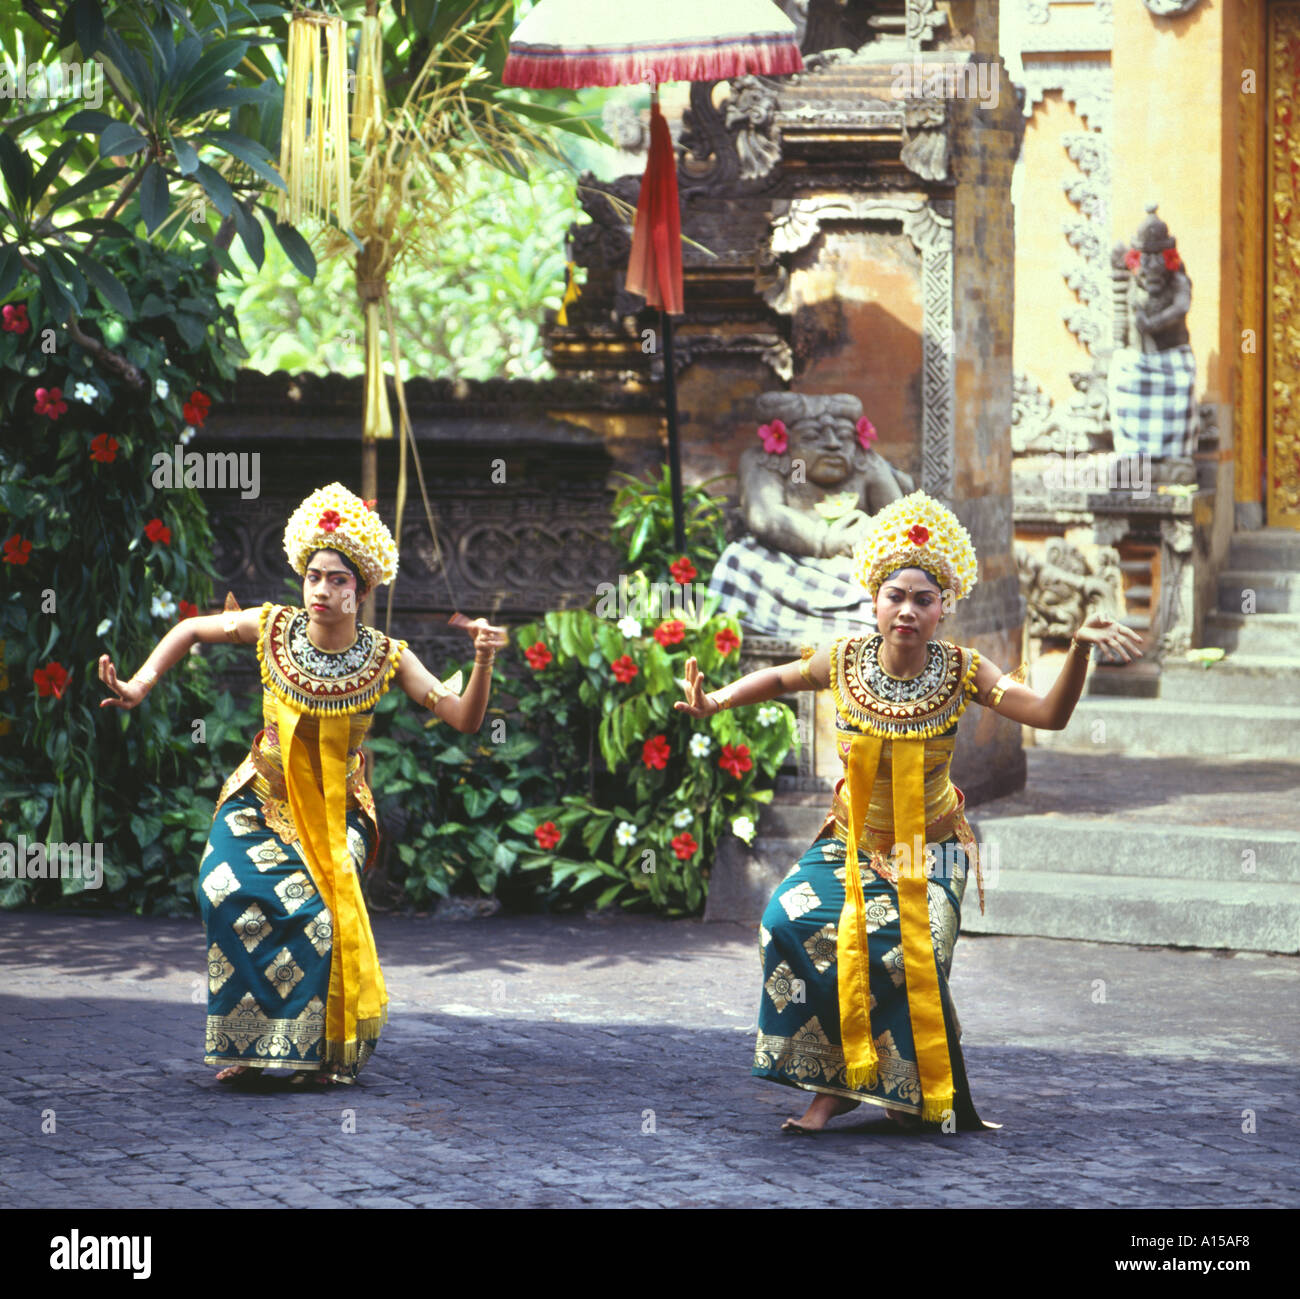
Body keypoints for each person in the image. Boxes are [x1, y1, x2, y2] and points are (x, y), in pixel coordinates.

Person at [675, 489, 1141, 1132]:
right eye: (896, 596)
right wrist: (715, 701)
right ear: (874, 600)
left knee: (894, 948)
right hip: (848, 843)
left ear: (943, 608)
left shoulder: (964, 671)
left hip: (931, 849)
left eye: (923, 599)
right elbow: (782, 679)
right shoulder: (843, 660)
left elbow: (1048, 715)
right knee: (784, 921)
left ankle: (868, 1088)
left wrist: (1079, 651)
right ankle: (834, 1081)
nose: (907, 610)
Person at [98, 482, 508, 1085]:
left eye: (338, 579)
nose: (321, 590)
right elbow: (189, 630)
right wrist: (139, 684)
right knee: (225, 888)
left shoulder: (390, 657)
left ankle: (315, 1053)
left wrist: (483, 660)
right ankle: (250, 1045)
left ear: (362, 590)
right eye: (314, 576)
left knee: (316, 914)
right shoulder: (271, 627)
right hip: (260, 800)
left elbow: (466, 719)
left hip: (338, 809)